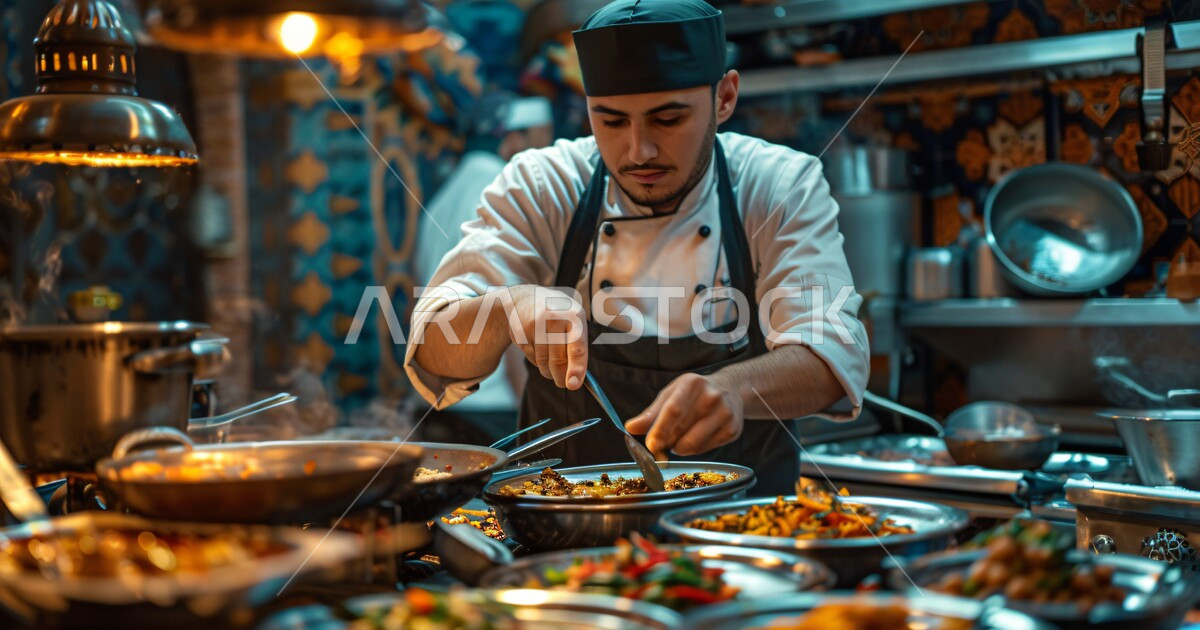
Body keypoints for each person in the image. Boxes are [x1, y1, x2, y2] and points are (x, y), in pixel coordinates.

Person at [404, 0, 868, 494]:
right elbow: (432, 352)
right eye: (610, 121)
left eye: (667, 120)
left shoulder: (777, 183)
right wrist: (504, 309)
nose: (638, 150)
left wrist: (735, 389)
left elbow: (831, 355)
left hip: (740, 539)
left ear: (725, 97)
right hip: (562, 536)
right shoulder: (542, 184)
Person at [412, 92, 552, 442]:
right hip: (492, 407)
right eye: (543, 136)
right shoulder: (501, 191)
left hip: (441, 401)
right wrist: (531, 423)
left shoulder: (446, 194)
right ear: (514, 138)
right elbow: (510, 308)